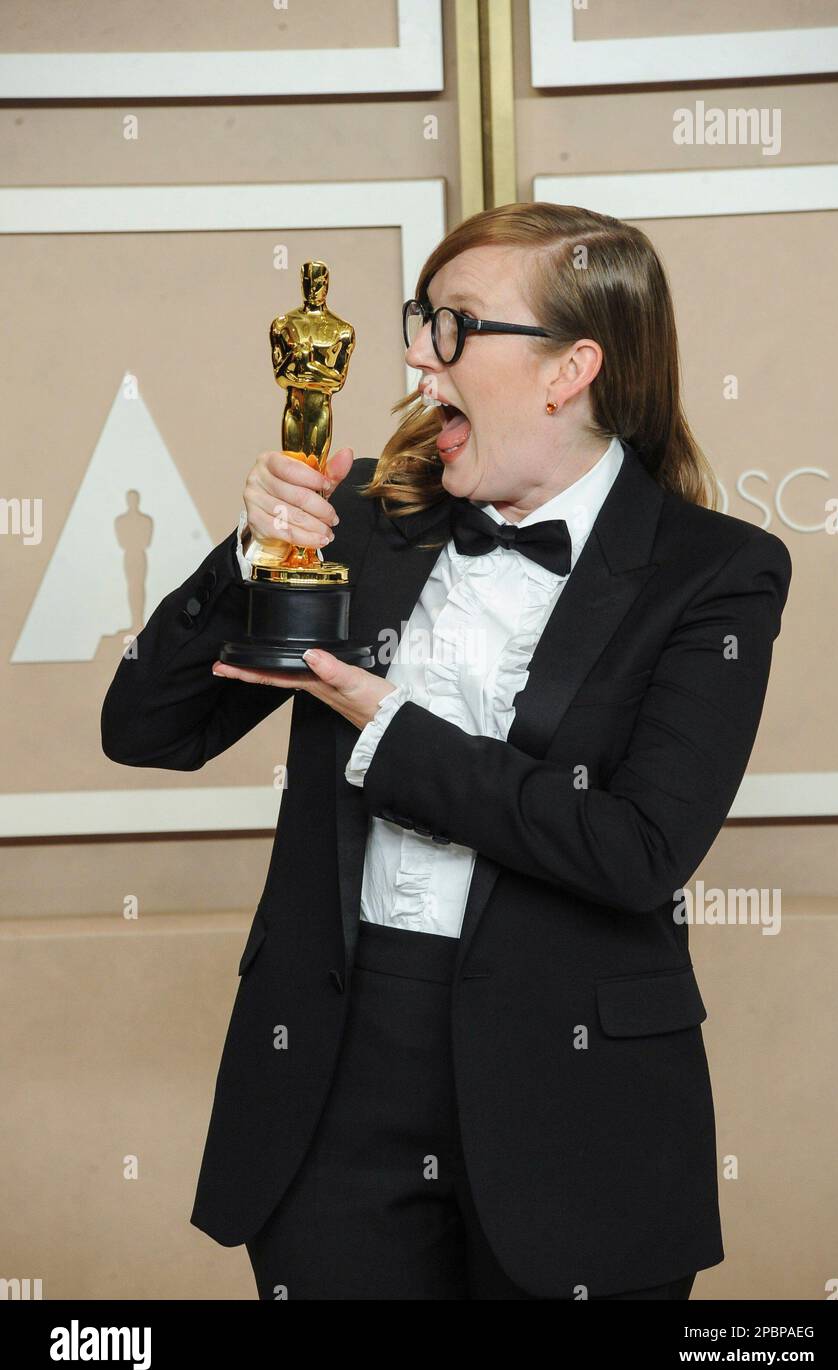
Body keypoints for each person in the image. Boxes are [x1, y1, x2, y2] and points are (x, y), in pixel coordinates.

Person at [101, 201, 792, 1300]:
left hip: (580, 1090)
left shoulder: (716, 572)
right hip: (338, 1072)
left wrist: (386, 729)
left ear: (571, 368)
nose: (418, 356)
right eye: (422, 320)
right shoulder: (370, 516)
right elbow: (147, 727)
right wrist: (249, 549)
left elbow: (638, 848)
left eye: (457, 326)